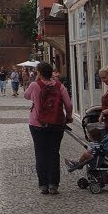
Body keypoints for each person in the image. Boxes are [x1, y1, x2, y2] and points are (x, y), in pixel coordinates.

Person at [24, 61, 72, 194]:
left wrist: (35, 81)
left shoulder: (35, 85)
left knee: (40, 153)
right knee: (54, 153)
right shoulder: (59, 85)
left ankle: (43, 185)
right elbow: (68, 104)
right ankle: (53, 185)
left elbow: (26, 96)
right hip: (57, 123)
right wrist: (68, 116)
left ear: (39, 73)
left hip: (37, 124)